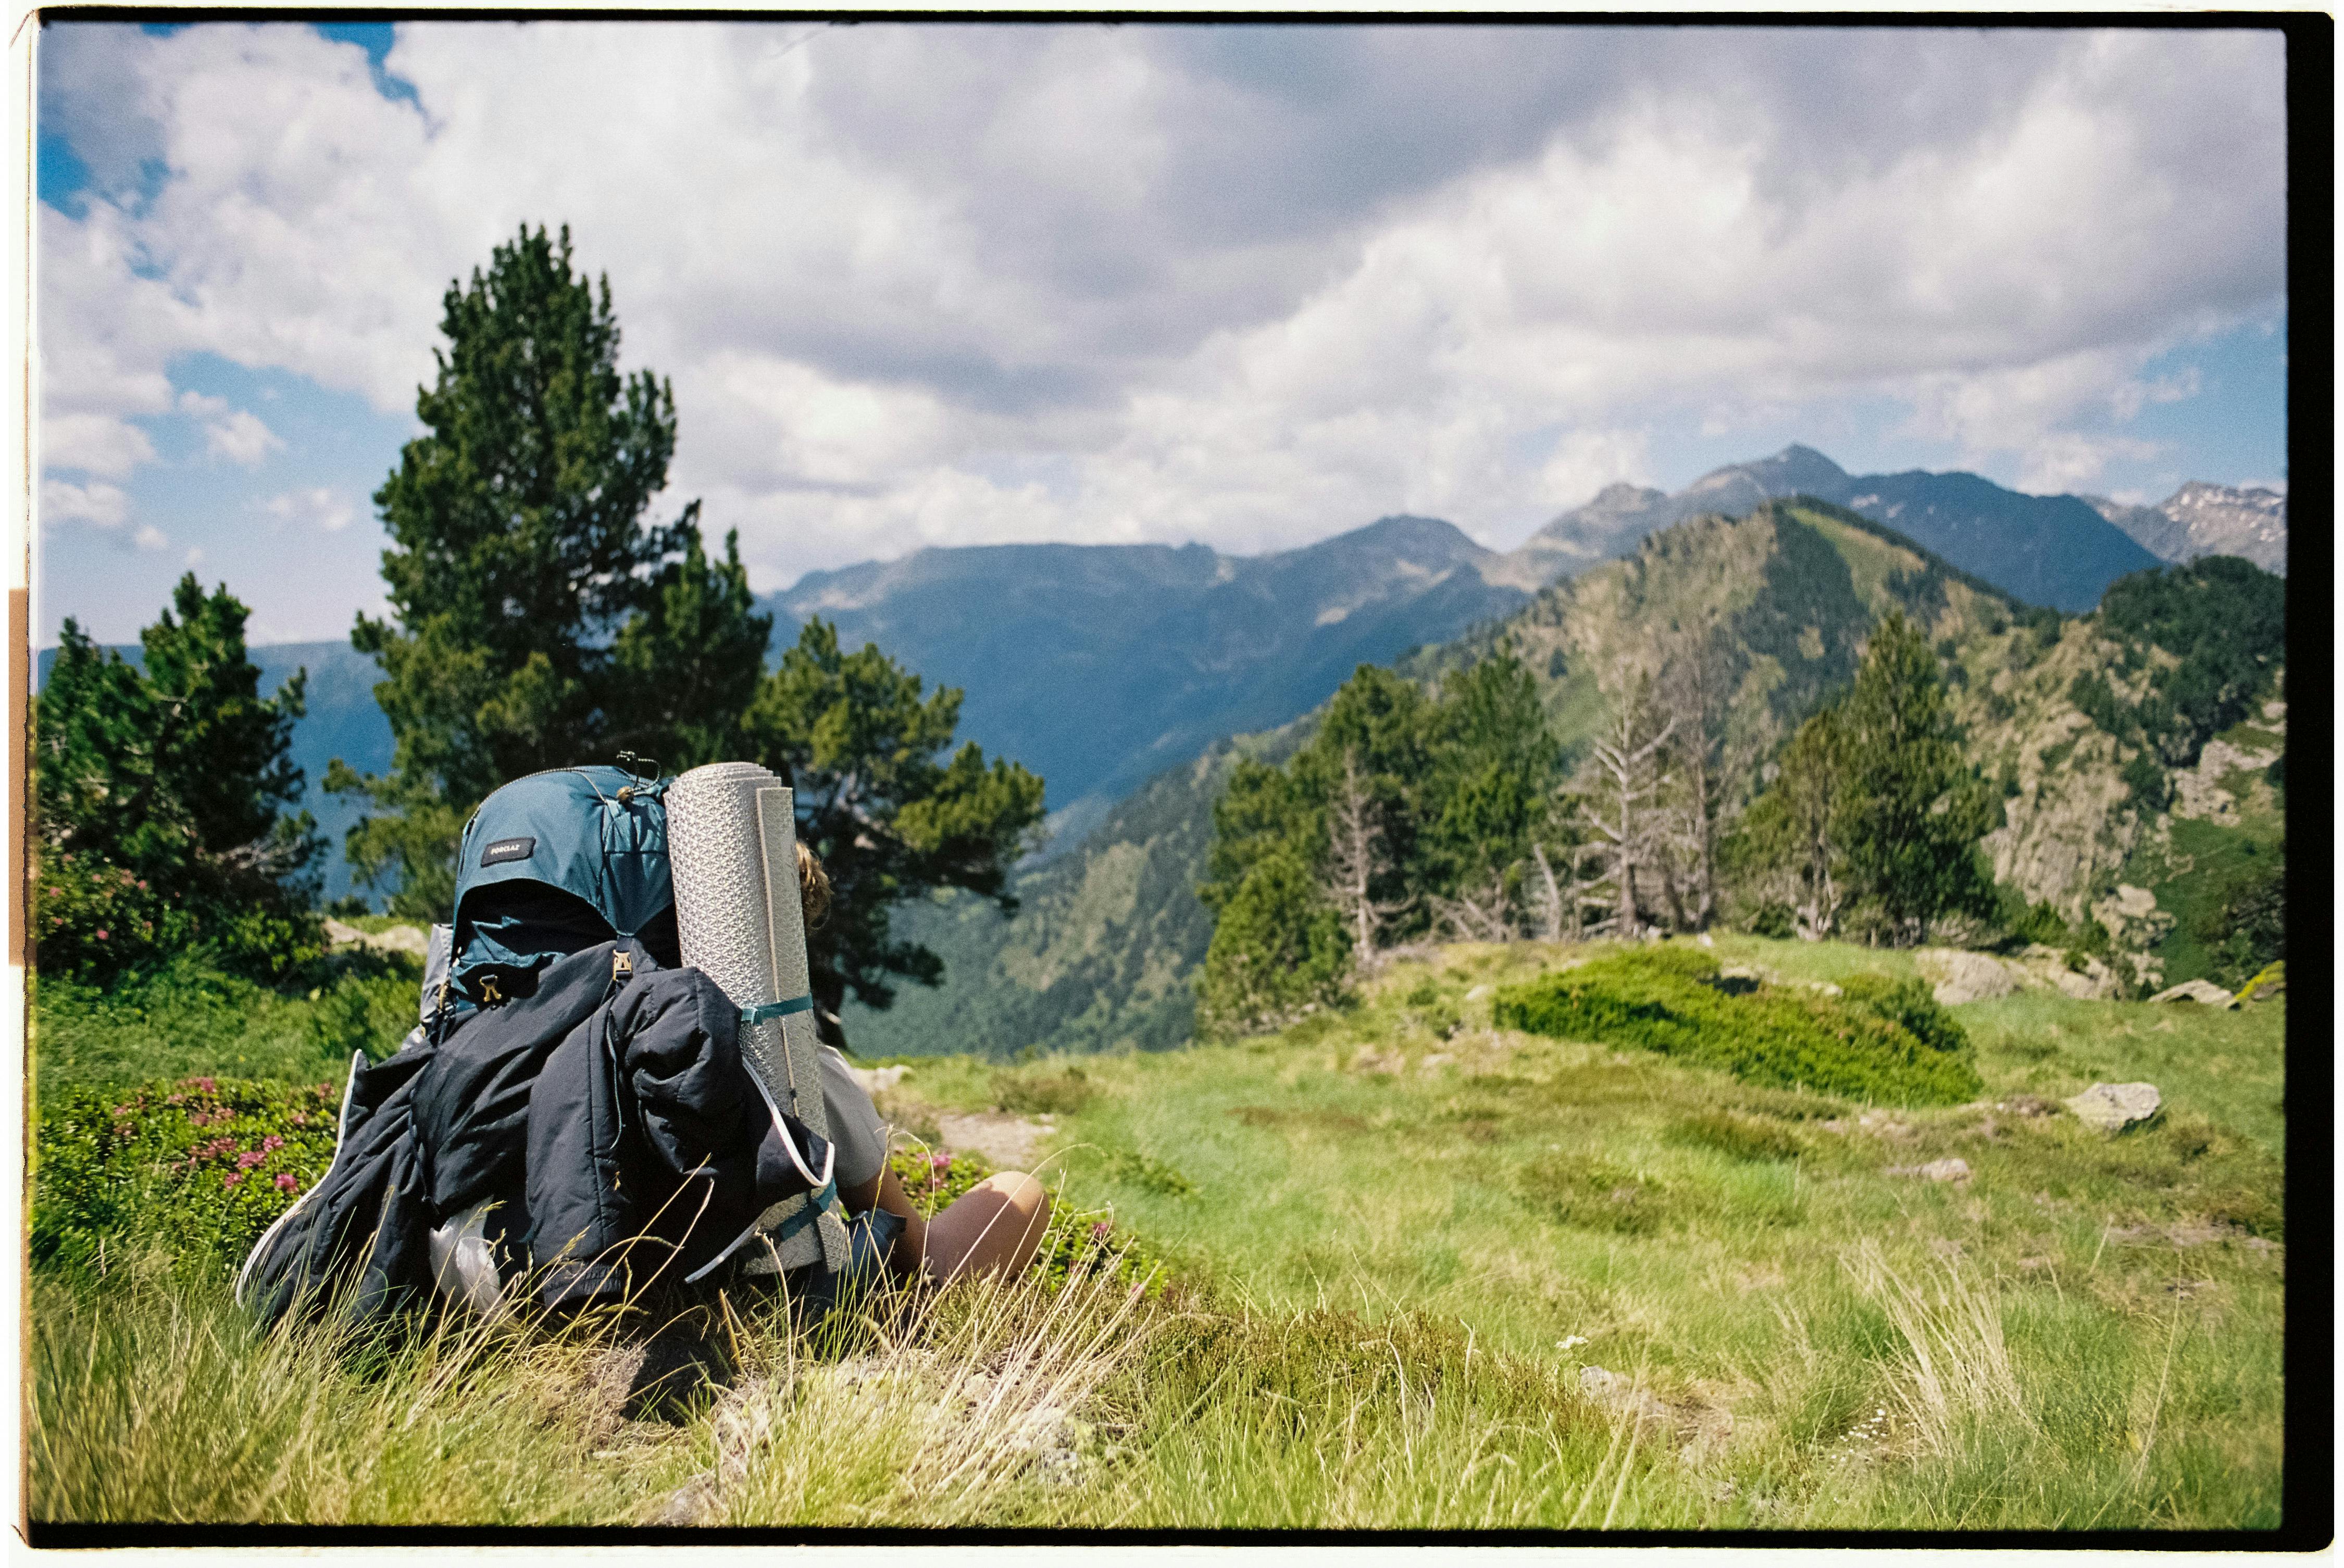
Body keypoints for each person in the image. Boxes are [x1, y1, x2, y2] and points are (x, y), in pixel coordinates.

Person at [794, 843, 1052, 1287]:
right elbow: (910, 1251)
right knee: (1024, 1191)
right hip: (787, 1293)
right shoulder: (805, 1065)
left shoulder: (640, 1039)